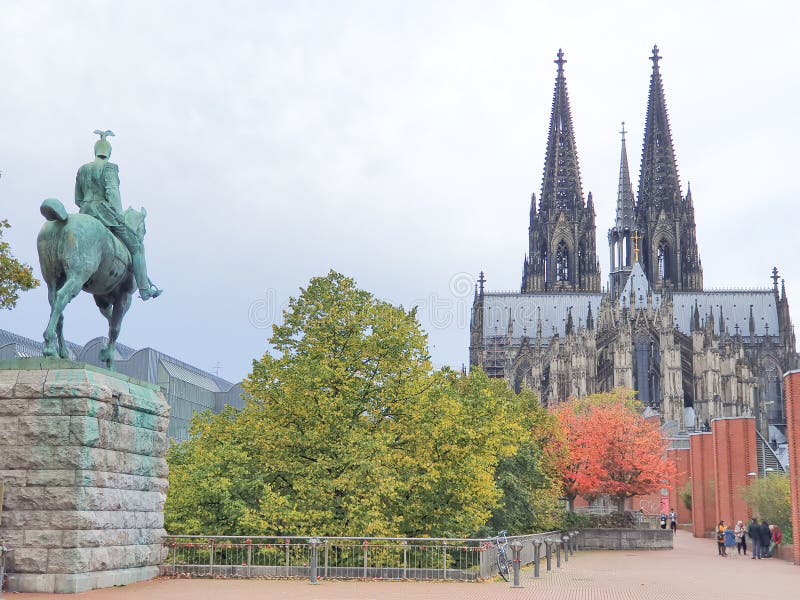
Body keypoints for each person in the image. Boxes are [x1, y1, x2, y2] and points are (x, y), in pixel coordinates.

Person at [75, 130, 162, 301]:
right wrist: (118, 214)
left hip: (85, 212)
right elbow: (113, 193)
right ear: (108, 153)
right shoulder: (110, 168)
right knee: (137, 247)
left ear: (95, 151)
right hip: (106, 214)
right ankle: (144, 290)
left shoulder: (82, 169)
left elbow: (77, 199)